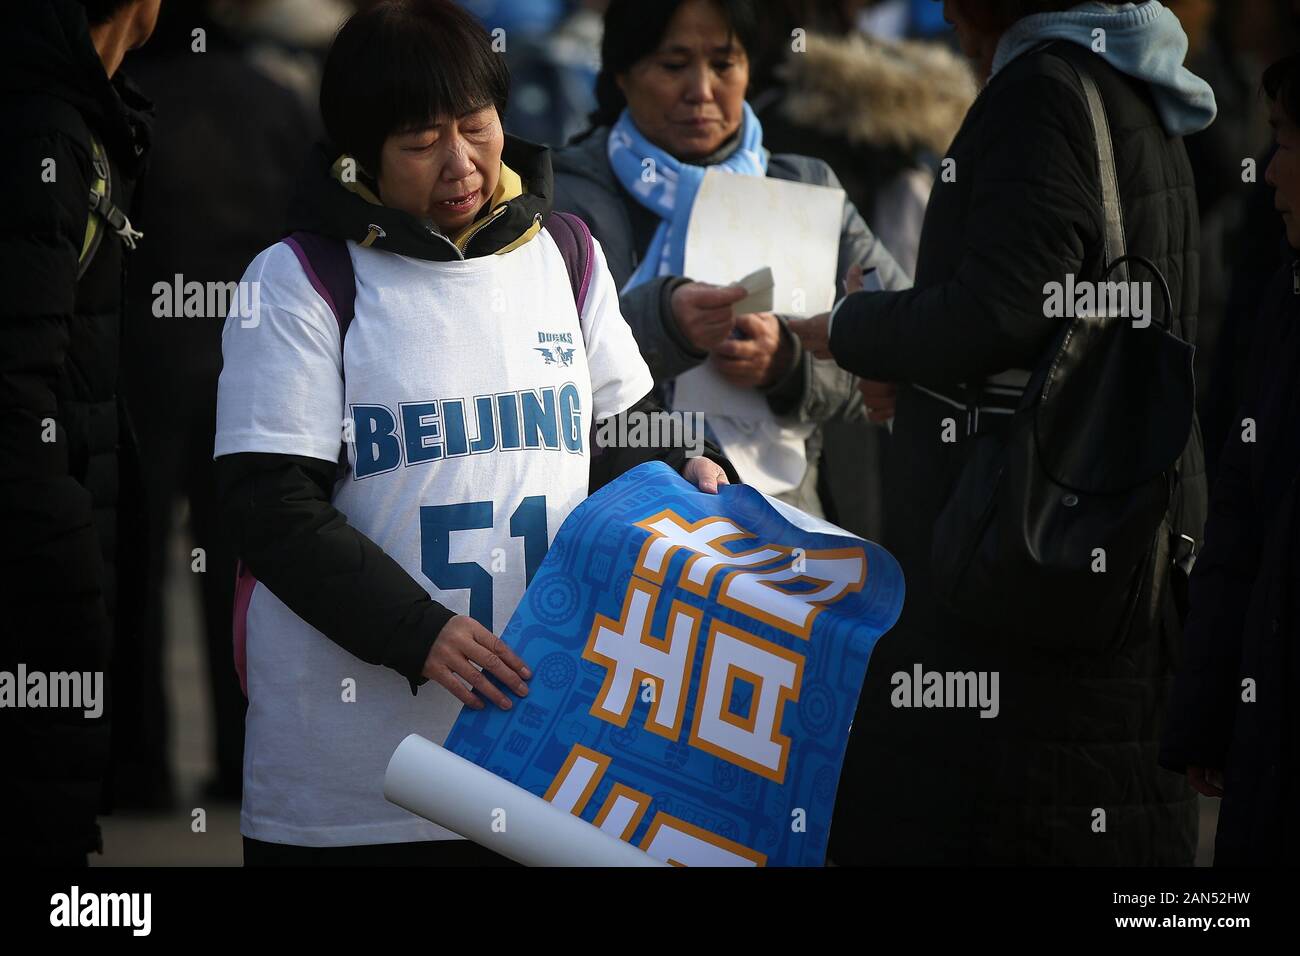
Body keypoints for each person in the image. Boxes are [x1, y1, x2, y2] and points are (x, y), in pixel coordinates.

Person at [213, 0, 734, 866]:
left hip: (538, 764)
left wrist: (688, 464)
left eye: (477, 126)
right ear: (361, 155)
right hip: (351, 783)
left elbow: (621, 429)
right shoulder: (301, 280)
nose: (460, 163)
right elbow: (268, 506)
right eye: (420, 142)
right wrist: (415, 632)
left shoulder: (565, 252)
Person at [789, 0, 1215, 864]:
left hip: (1038, 554)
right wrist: (927, 394)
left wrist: (855, 327)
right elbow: (1069, 329)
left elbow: (1008, 306)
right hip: (1113, 530)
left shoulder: (1044, 90)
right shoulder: (1134, 80)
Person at [552, 0, 910, 524]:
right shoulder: (563, 202)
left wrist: (790, 365)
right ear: (623, 75)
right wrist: (660, 324)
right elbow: (533, 379)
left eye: (724, 64)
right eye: (674, 66)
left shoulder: (803, 188)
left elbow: (908, 356)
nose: (701, 91)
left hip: (783, 532)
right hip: (625, 528)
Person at [0, 0, 159, 865]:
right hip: (36, 593)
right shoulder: (45, 135)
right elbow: (13, 406)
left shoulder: (76, 115)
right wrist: (74, 593)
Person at [1159, 52, 1300, 866]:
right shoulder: (1285, 299)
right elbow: (1242, 512)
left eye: (1286, 139)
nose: (1271, 170)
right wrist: (1212, 708)